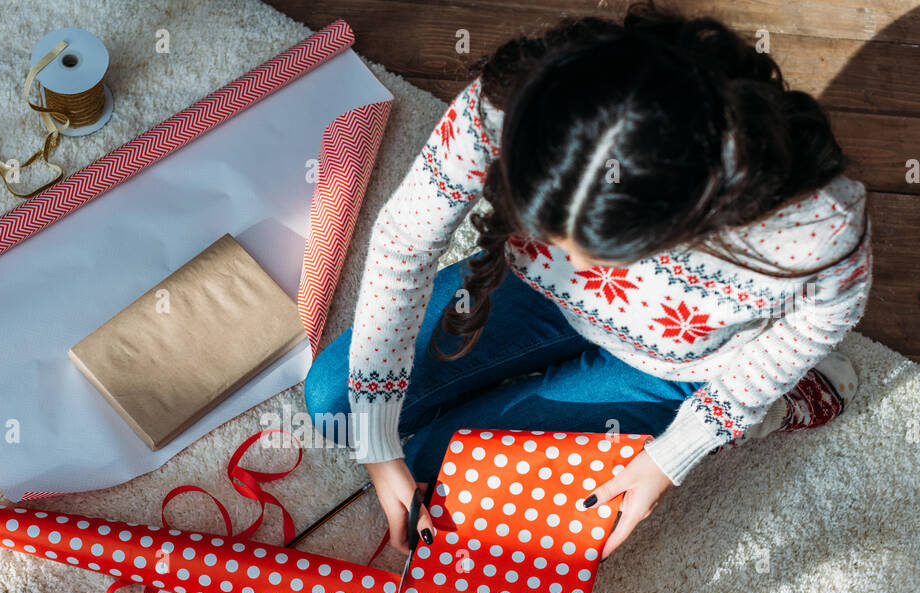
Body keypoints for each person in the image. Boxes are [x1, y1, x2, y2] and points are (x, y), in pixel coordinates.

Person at [304, 2, 869, 557]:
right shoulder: (516, 103)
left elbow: (813, 327)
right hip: (531, 297)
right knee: (336, 406)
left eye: (602, 255)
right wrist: (377, 443)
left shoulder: (816, 224)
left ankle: (775, 406)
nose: (583, 271)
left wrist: (671, 458)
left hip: (676, 362)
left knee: (442, 479)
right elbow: (404, 242)